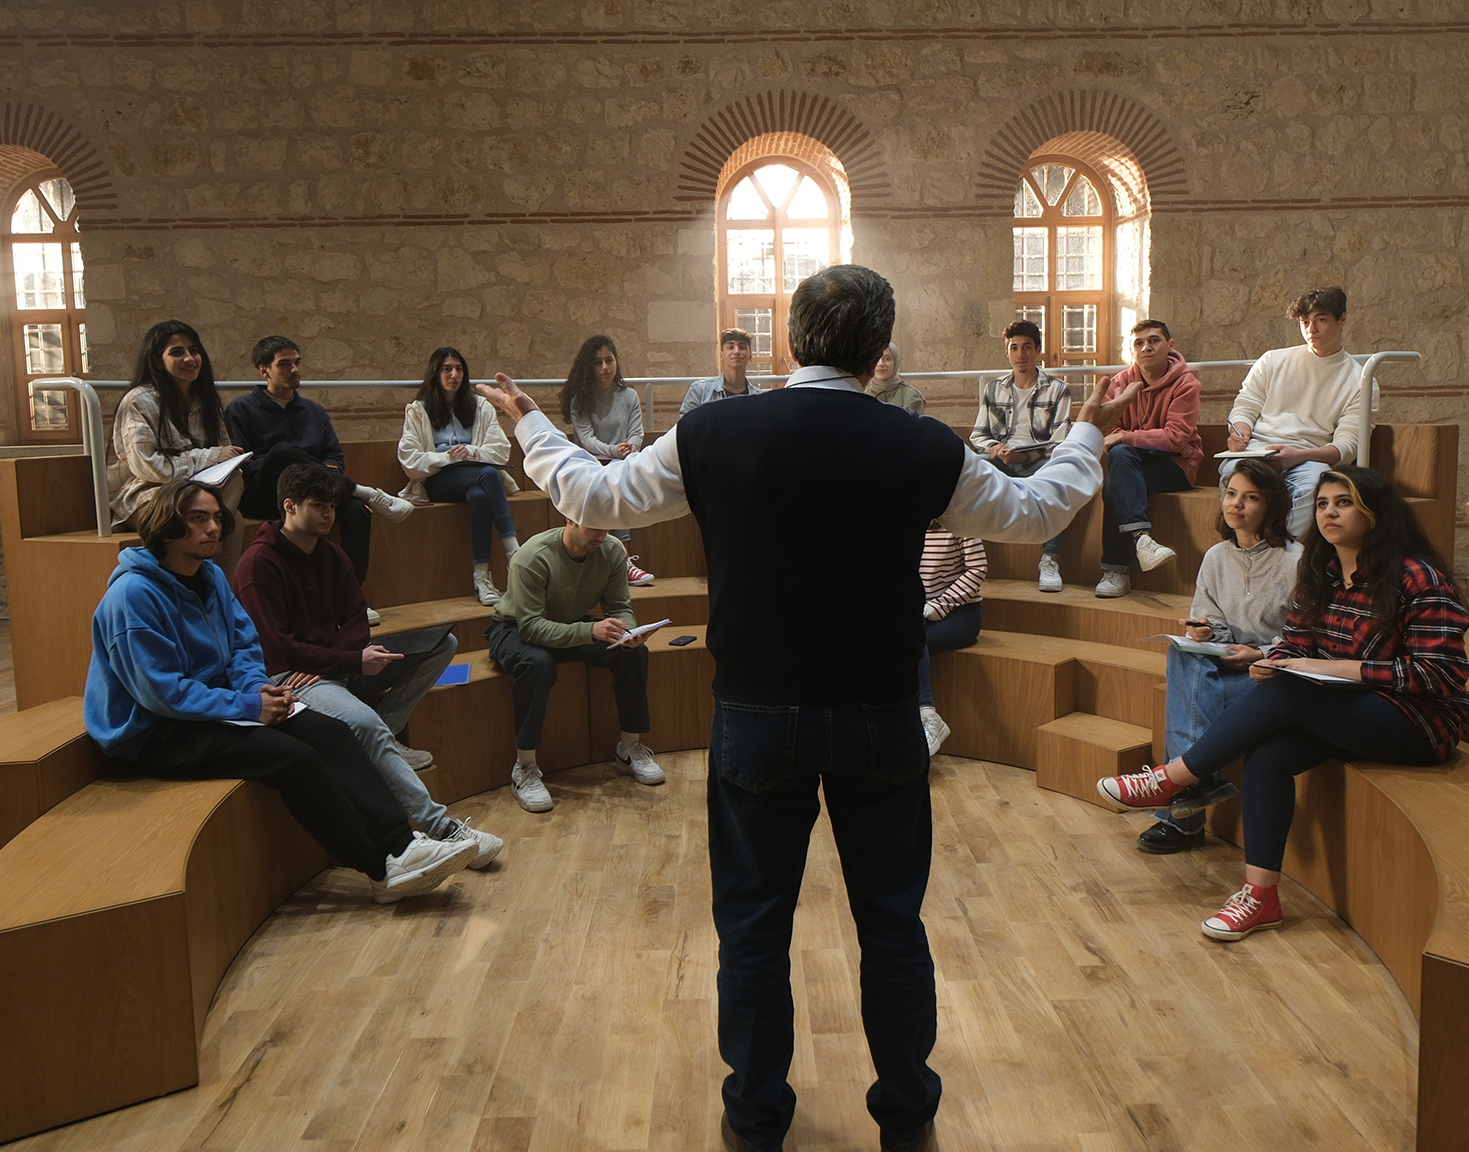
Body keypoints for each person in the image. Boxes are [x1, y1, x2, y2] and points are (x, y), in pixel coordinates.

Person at [475, 263, 1139, 1152]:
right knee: (893, 928)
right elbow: (1035, 512)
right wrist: (1090, 425)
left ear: (791, 342)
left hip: (757, 715)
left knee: (752, 930)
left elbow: (594, 495)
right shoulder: (921, 443)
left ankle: (755, 1122)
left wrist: (530, 424)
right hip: (880, 714)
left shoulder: (714, 431)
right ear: (877, 353)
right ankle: (907, 1120)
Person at [1097, 465, 1469, 941]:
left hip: (1418, 720)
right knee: (1269, 754)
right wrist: (1279, 660)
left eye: (1344, 502)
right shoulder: (1324, 571)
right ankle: (1261, 897)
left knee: (1293, 688)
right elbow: (1295, 641)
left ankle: (1171, 781)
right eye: (1322, 504)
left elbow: (1439, 675)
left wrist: (1334, 670)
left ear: (1375, 514)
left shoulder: (1418, 577)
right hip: (1347, 705)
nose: (1330, 513)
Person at [83, 478, 477, 902]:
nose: (213, 528)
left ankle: (404, 844)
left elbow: (243, 644)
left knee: (331, 732)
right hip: (155, 730)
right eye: (197, 519)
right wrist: (249, 705)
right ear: (164, 525)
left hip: (219, 705)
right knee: (295, 757)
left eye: (216, 518)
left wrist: (258, 689)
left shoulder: (210, 575)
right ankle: (381, 867)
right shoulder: (132, 595)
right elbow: (159, 693)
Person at [234, 462, 501, 870]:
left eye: (332, 506)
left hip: (330, 665)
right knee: (364, 724)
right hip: (291, 678)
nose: (328, 514)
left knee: (440, 643)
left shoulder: (331, 554)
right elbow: (279, 646)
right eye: (317, 505)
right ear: (289, 506)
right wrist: (346, 659)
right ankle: (443, 828)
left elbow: (357, 618)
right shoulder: (257, 563)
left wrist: (346, 658)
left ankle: (387, 735)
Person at [1136, 459, 1299, 855]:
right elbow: (1213, 622)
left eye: (1250, 497)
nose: (1236, 505)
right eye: (1231, 494)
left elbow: (1306, 637)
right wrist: (1205, 633)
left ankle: (1184, 821)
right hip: (1223, 664)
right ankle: (1197, 783)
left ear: (1272, 505)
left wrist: (1259, 652)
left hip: (1268, 672)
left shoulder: (1297, 560)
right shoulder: (1215, 557)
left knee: (1189, 699)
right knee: (1182, 654)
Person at [485, 517, 661, 813]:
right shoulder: (532, 557)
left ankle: (629, 747)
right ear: (570, 519)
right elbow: (531, 629)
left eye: (606, 528)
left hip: (569, 622)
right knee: (537, 662)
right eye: (594, 528)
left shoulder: (612, 549)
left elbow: (619, 607)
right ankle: (524, 767)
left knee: (633, 653)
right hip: (514, 627)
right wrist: (588, 631)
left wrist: (628, 633)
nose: (601, 536)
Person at [225, 335, 414, 596]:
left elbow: (334, 456)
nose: (294, 370)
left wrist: (323, 475)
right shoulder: (240, 409)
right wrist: (295, 466)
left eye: (298, 362)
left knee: (357, 509)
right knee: (282, 452)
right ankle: (360, 489)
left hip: (314, 491)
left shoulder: (313, 411)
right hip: (266, 494)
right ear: (264, 370)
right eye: (284, 364)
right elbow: (245, 464)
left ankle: (351, 594)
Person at [1221, 286, 1379, 538]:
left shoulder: (1359, 379)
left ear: (1342, 320)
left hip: (1308, 458)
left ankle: (1282, 551)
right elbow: (1245, 405)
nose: (1311, 329)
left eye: (1321, 320)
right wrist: (1239, 430)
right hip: (1259, 450)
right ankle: (1241, 549)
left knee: (1315, 486)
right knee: (1234, 475)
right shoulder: (1272, 360)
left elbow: (1347, 447)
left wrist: (1298, 455)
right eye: (1305, 321)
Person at [107, 320, 245, 572]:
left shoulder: (206, 401)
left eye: (194, 350)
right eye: (177, 352)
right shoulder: (139, 401)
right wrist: (211, 456)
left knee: (235, 486)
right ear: (158, 361)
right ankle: (197, 584)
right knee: (224, 520)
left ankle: (222, 596)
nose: (190, 358)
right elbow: (149, 467)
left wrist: (223, 462)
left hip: (197, 491)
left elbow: (225, 459)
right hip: (148, 496)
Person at [398, 346, 524, 606]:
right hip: (440, 479)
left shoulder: (480, 407)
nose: (454, 374)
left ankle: (481, 578)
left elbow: (501, 451)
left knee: (479, 495)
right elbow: (410, 460)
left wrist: (471, 450)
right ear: (435, 374)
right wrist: (448, 457)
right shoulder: (419, 410)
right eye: (447, 369)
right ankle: (515, 552)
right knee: (488, 475)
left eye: (458, 369)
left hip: (477, 477)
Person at [1093, 320, 1203, 599]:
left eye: (1154, 340)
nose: (1146, 347)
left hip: (1177, 466)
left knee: (1115, 480)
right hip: (1133, 462)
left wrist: (1127, 437)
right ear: (1132, 351)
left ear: (1170, 345)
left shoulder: (1186, 384)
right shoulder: (1119, 384)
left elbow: (1176, 438)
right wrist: (1138, 440)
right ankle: (1142, 540)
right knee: (1118, 465)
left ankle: (1115, 569)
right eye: (1139, 343)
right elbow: (1106, 431)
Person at [971, 319, 1072, 592]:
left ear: (1038, 349)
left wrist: (1025, 457)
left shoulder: (1058, 389)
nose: (1020, 355)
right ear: (1007, 352)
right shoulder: (993, 389)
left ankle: (1049, 560)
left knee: (1059, 476)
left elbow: (1059, 440)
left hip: (1038, 460)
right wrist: (994, 448)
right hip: (1001, 459)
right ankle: (969, 560)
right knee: (966, 470)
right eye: (1014, 348)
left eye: (1027, 347)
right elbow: (978, 434)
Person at [559, 335, 656, 586]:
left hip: (621, 460)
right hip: (588, 462)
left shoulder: (629, 396)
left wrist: (631, 448)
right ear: (589, 366)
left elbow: (637, 432)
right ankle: (606, 565)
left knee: (620, 475)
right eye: (598, 362)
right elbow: (587, 439)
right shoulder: (580, 398)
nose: (604, 367)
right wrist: (615, 450)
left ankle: (623, 562)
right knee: (612, 478)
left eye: (609, 360)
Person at [917, 520, 986, 755]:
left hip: (960, 613)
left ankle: (929, 717)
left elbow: (978, 569)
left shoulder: (959, 521)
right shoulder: (900, 518)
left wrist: (938, 606)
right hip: (919, 612)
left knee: (913, 641)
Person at [680, 327, 765, 413]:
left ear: (750, 355)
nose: (736, 351)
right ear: (721, 355)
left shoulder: (760, 399)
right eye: (730, 347)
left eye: (742, 347)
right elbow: (685, 425)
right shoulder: (699, 391)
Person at [866, 342, 927, 416]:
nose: (880, 364)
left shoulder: (910, 395)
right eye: (876, 359)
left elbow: (913, 426)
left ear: (896, 361)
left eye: (887, 359)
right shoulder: (863, 395)